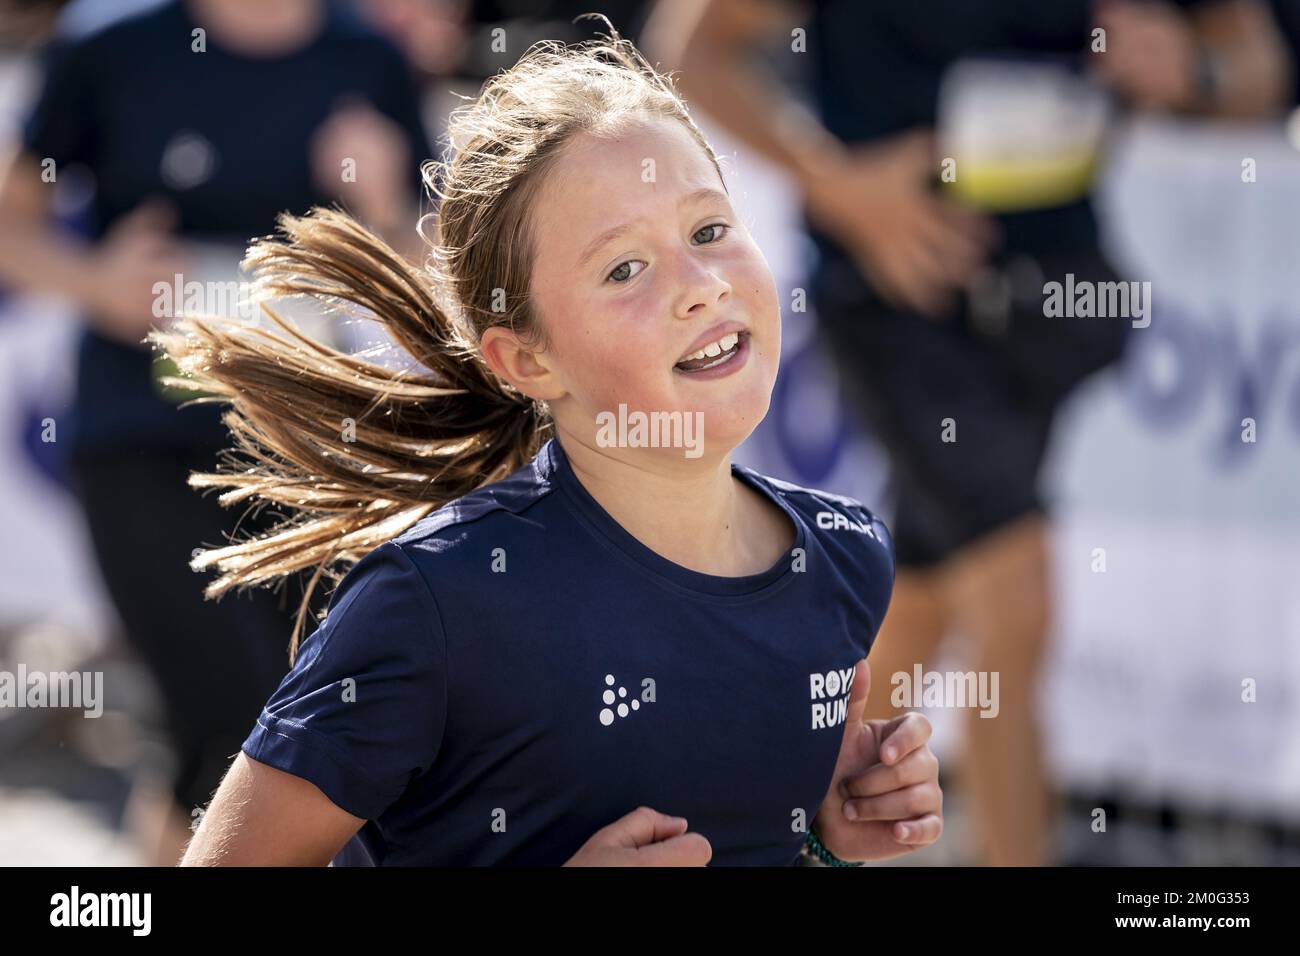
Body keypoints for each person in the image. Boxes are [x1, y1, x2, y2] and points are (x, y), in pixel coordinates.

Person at [172, 21, 941, 866]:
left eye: (711, 229)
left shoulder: (845, 557)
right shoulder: (437, 602)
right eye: (623, 269)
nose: (701, 285)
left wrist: (822, 837)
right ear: (527, 359)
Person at [644, 0, 1297, 865]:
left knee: (923, 603)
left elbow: (1256, 62)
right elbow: (694, 51)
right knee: (1014, 604)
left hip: (1054, 307)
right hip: (895, 299)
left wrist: (1195, 71)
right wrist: (837, 182)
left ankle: (793, 846)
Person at [0, 0, 434, 864]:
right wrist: (95, 281)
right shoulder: (112, 50)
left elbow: (425, 269)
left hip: (310, 449)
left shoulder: (368, 56)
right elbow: (12, 220)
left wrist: (383, 205)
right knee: (235, 720)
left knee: (268, 735)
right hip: (142, 440)